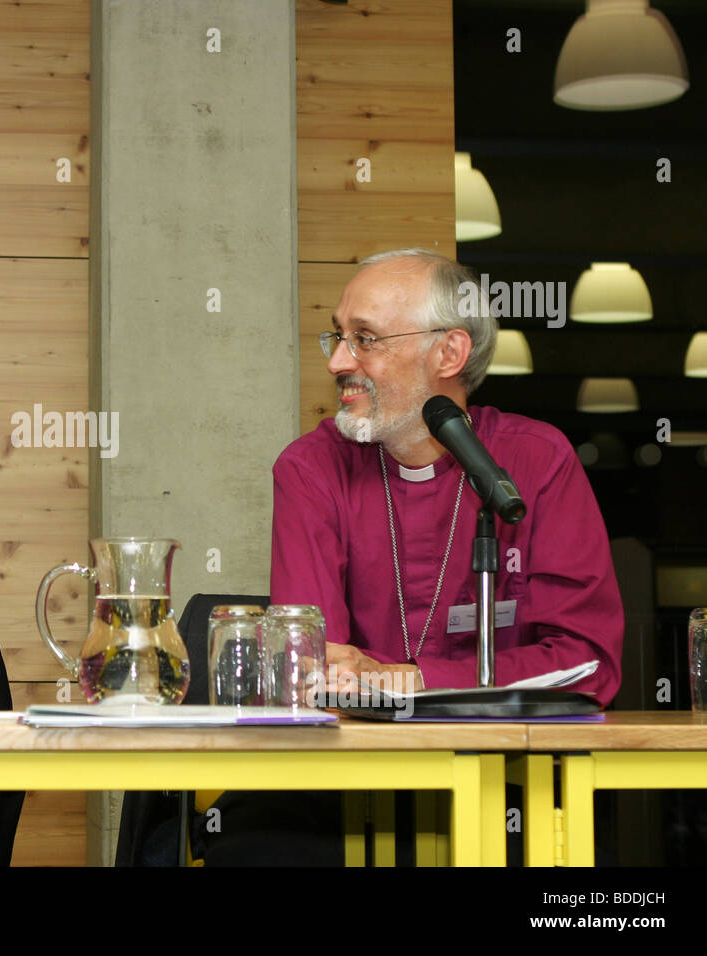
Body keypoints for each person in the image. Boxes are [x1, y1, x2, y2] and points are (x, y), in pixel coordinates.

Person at [199, 248, 625, 866]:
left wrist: (412, 680)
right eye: (337, 336)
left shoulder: (537, 461)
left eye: (364, 339)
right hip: (339, 779)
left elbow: (588, 666)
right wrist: (374, 678)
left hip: (502, 776)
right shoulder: (310, 467)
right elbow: (318, 672)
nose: (338, 361)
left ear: (448, 353)